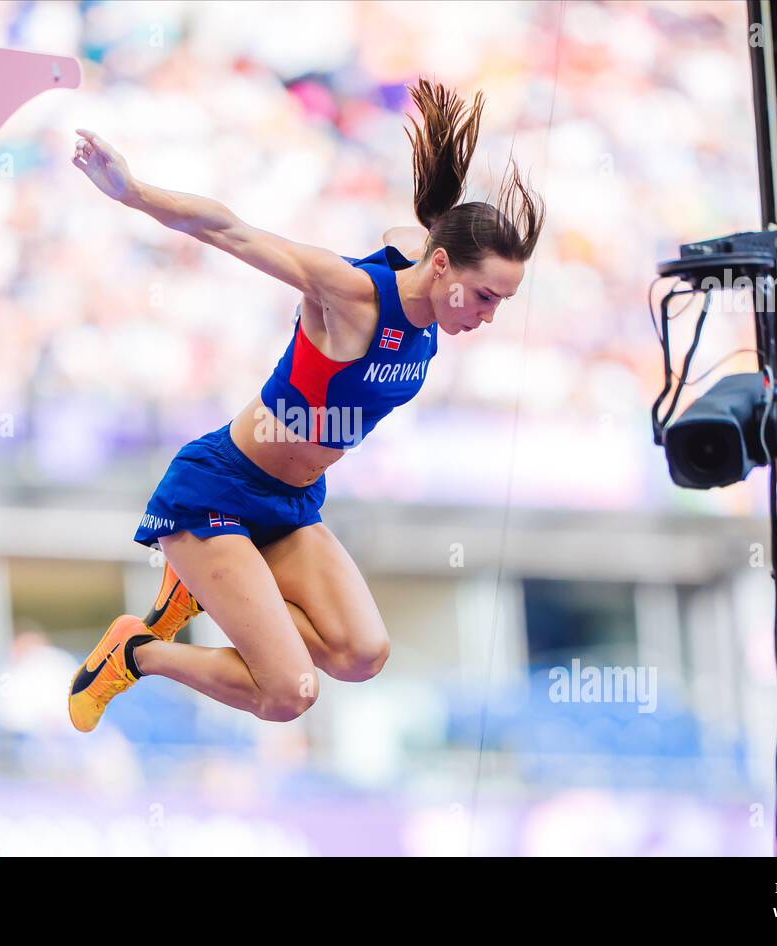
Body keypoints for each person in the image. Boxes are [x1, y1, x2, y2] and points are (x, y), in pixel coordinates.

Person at [67, 78, 544, 732]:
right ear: (440, 268)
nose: (490, 315)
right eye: (485, 296)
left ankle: (206, 590)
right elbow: (227, 230)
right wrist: (132, 191)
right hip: (218, 492)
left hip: (291, 504)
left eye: (502, 303)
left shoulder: (422, 260)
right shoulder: (350, 296)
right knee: (289, 693)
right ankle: (138, 651)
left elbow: (413, 228)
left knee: (362, 653)